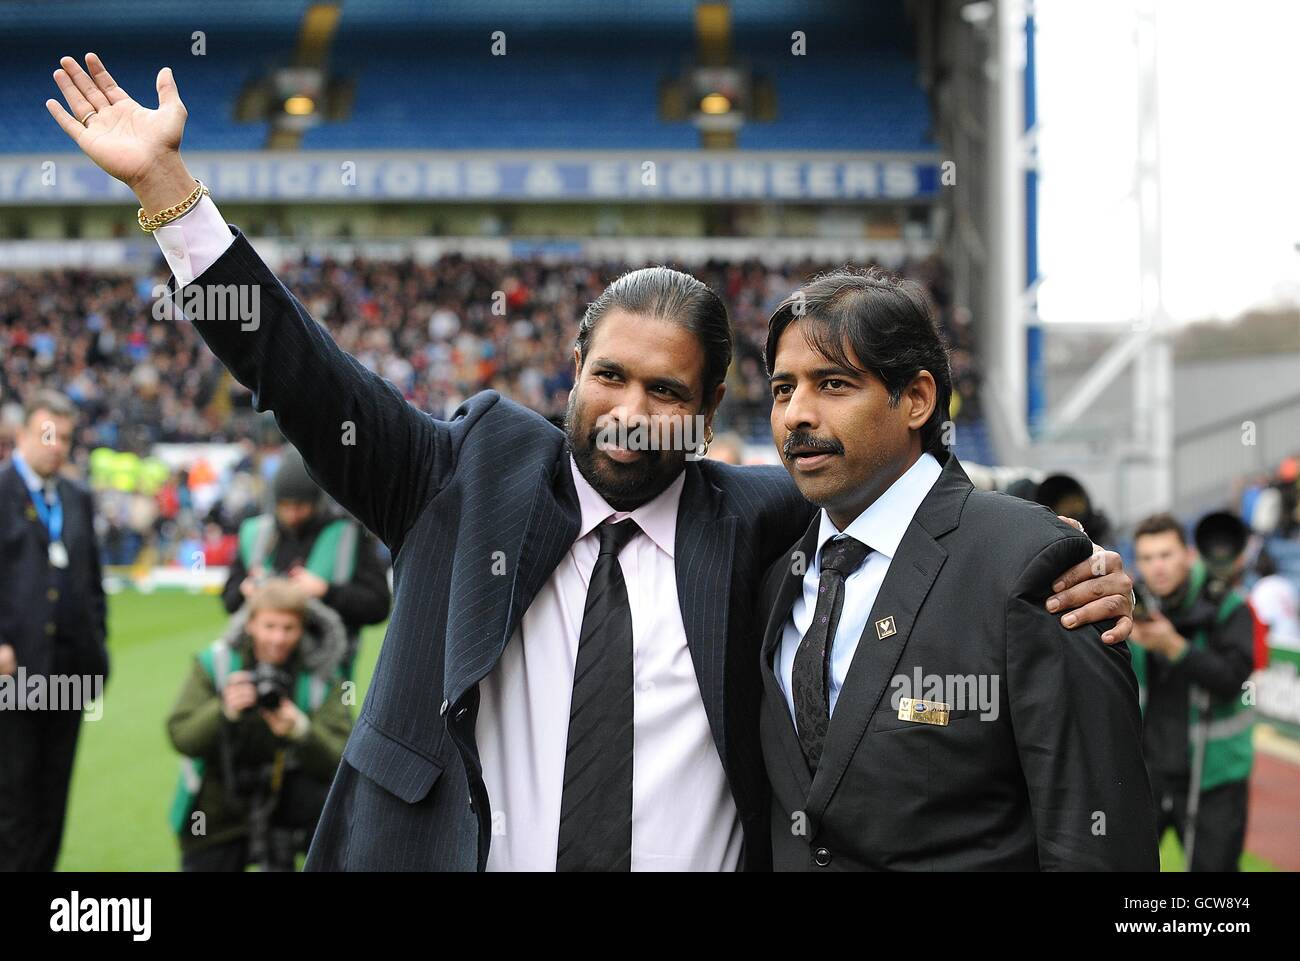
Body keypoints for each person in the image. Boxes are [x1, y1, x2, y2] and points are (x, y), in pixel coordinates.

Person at [45, 54, 1136, 871]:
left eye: (667, 391)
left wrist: (1072, 562)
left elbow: (913, 515)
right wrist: (172, 196)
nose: (630, 411)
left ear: (709, 412)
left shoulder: (758, 519)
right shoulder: (459, 475)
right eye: (610, 376)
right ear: (571, 370)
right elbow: (300, 373)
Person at [757, 268, 1157, 870]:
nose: (796, 415)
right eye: (783, 389)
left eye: (833, 384)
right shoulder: (771, 566)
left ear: (917, 399)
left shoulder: (1036, 564)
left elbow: (1097, 839)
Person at [167, 579, 353, 871]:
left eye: (288, 628)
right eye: (269, 626)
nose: (278, 639)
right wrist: (224, 710)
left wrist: (300, 731)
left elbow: (342, 757)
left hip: (292, 809)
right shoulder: (216, 662)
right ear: (250, 624)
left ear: (302, 628)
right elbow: (181, 736)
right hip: (217, 807)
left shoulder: (322, 675)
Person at [0, 389, 110, 871]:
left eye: (65, 437)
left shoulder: (77, 497)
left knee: (52, 800)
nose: (56, 446)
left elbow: (92, 583)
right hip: (12, 675)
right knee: (12, 800)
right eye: (47, 435)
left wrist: (98, 651)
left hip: (70, 672)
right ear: (20, 435)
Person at [1130, 513, 1255, 871]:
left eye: (1166, 555)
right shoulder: (1131, 607)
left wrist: (1174, 648)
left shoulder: (1230, 607)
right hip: (1149, 772)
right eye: (1148, 558)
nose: (1158, 567)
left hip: (1214, 776)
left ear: (1188, 555)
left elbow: (1235, 681)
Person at [222, 446, 390, 679]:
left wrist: (326, 591)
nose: (292, 514)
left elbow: (379, 606)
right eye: (285, 507)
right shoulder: (255, 534)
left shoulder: (348, 536)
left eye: (300, 507)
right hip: (259, 671)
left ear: (317, 503)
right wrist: (246, 590)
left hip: (325, 673)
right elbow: (229, 601)